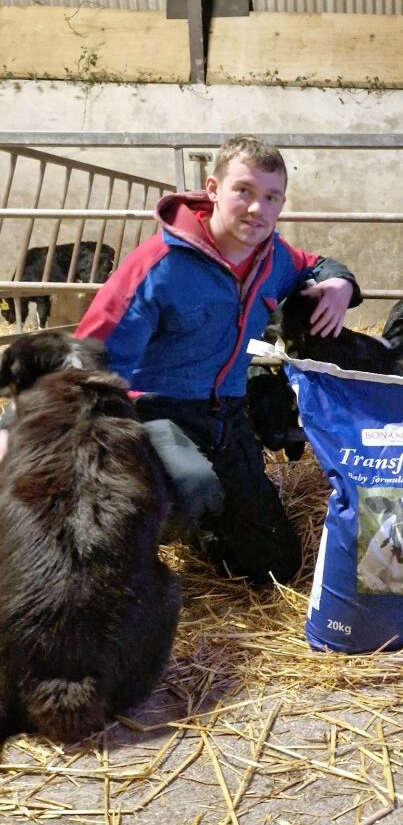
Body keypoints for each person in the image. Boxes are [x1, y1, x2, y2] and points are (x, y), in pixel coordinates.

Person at [71, 134, 362, 586]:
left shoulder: (273, 258)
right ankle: (132, 536)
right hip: (153, 409)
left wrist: (339, 283)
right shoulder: (159, 266)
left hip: (225, 416)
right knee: (191, 485)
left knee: (274, 565)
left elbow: (317, 264)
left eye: (270, 197)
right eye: (243, 190)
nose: (256, 208)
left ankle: (204, 529)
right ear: (212, 190)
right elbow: (92, 358)